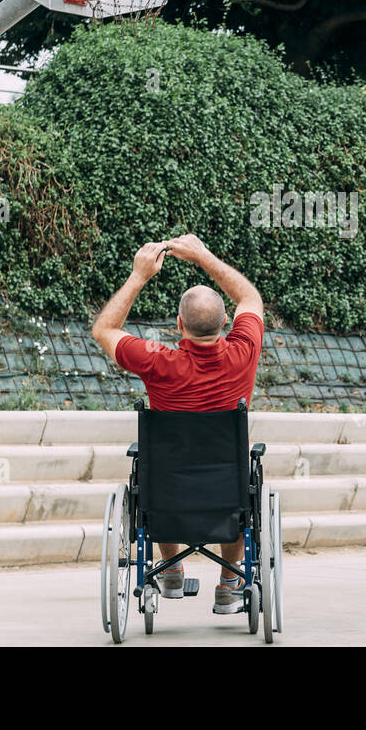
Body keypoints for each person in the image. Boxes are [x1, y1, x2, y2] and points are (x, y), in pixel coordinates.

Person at [91, 233, 264, 615]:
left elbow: (104, 330)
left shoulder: (157, 360)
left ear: (178, 323)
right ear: (225, 322)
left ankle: (169, 571)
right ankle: (232, 581)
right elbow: (250, 299)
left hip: (167, 495)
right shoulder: (243, 352)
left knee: (152, 473)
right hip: (225, 492)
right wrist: (203, 256)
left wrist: (138, 276)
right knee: (243, 484)